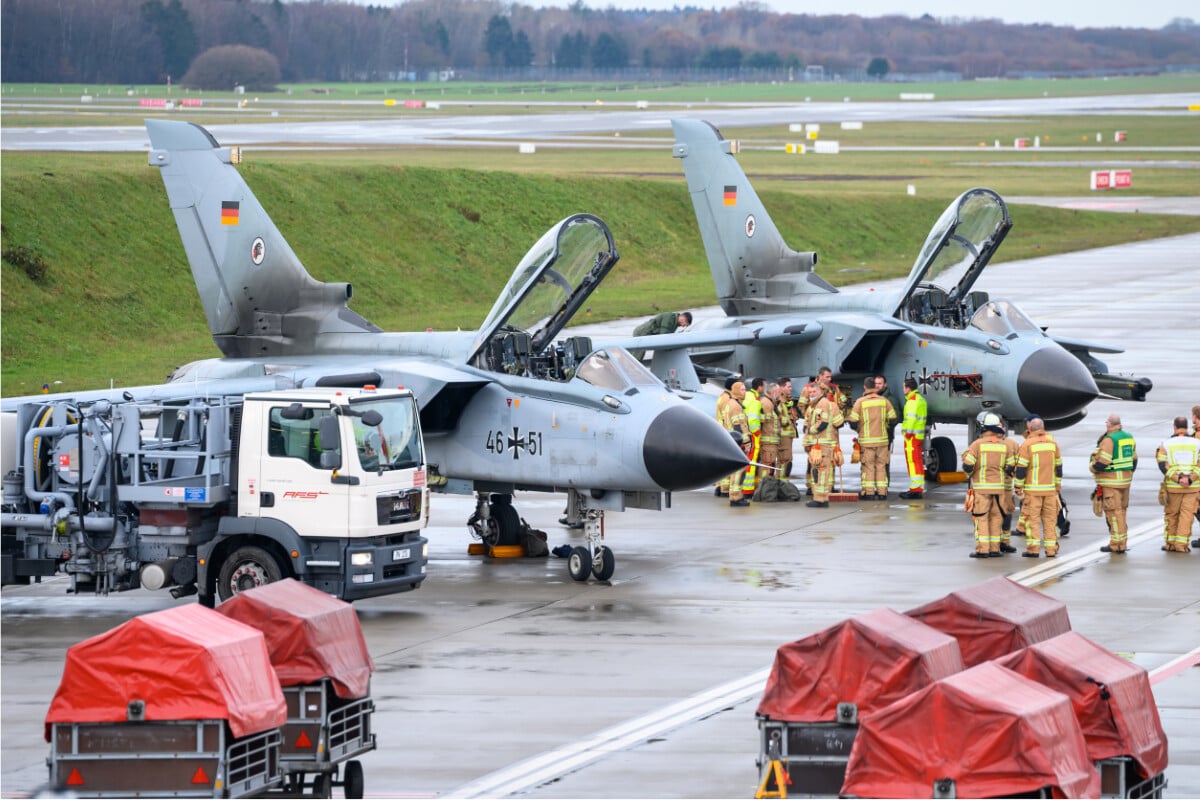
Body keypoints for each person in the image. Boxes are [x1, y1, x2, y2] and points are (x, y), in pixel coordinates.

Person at [962, 413, 1014, 558]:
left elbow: (967, 465)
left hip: (982, 489)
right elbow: (1010, 467)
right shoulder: (1005, 446)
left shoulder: (977, 444)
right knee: (997, 518)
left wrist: (973, 473)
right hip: (999, 489)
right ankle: (995, 549)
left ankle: (982, 550)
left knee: (981, 518)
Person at [1014, 416, 1063, 558]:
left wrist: (1018, 487)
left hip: (1033, 491)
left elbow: (1021, 469)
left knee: (1032, 521)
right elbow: (1059, 468)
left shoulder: (1027, 444)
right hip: (1050, 491)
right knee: (1050, 521)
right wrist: (1057, 486)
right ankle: (1051, 550)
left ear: (1030, 428)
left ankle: (1033, 550)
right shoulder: (1053, 444)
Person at [1091, 413, 1137, 554]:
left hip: (1111, 482)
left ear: (1109, 424)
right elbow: (1134, 459)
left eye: (1107, 423)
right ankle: (1122, 543)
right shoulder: (1128, 437)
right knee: (1122, 512)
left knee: (1113, 514)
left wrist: (1092, 468)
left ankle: (1116, 544)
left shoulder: (1109, 440)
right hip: (1125, 481)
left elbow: (1104, 461)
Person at [847, 376, 896, 500]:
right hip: (883, 441)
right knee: (881, 466)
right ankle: (882, 492)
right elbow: (893, 418)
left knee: (868, 467)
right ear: (875, 387)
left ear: (865, 387)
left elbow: (852, 421)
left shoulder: (860, 402)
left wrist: (859, 429)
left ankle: (868, 493)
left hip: (867, 442)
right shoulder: (884, 401)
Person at [1156, 416, 1200, 553]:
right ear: (1187, 427)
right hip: (1192, 488)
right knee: (1186, 516)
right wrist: (1190, 479)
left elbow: (1162, 464)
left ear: (1174, 427)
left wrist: (1177, 478)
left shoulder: (1166, 444)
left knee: (1171, 515)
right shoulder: (1197, 443)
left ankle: (1170, 544)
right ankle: (1181, 545)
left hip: (1173, 487)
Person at [805, 380, 843, 508]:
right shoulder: (816, 405)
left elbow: (823, 423)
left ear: (820, 391)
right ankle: (822, 498)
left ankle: (820, 499)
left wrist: (810, 430)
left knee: (820, 471)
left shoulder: (822, 404)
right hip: (820, 444)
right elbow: (839, 423)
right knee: (820, 471)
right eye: (810, 392)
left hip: (822, 444)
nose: (811, 394)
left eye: (814, 391)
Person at [721, 380, 753, 507]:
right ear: (735, 391)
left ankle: (734, 495)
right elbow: (738, 427)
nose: (745, 392)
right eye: (742, 390)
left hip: (731, 441)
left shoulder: (730, 403)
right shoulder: (736, 406)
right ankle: (736, 497)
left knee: (736, 471)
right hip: (738, 443)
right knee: (739, 471)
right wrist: (744, 443)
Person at [899, 377, 928, 499]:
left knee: (912, 463)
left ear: (908, 388)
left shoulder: (912, 401)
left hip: (911, 437)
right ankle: (919, 487)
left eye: (903, 387)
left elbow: (910, 419)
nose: (902, 389)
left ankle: (915, 489)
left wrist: (907, 433)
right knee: (918, 462)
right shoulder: (920, 399)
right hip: (918, 436)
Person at [714, 378, 738, 498]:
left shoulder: (722, 396)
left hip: (721, 430)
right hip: (725, 430)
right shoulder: (727, 399)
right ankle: (724, 489)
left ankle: (719, 486)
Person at [742, 378, 766, 494]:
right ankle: (748, 488)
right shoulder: (755, 401)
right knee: (751, 460)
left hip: (744, 433)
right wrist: (756, 432)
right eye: (763, 386)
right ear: (760, 387)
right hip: (753, 435)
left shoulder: (746, 395)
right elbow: (752, 419)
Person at [875, 374, 900, 483]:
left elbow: (895, 418)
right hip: (871, 438)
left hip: (885, 437)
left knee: (884, 464)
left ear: (885, 385)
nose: (877, 386)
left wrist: (882, 426)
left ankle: (883, 487)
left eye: (880, 383)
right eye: (875, 383)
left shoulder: (890, 400)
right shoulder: (871, 398)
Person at [775, 377, 799, 479]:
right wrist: (789, 419)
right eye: (788, 386)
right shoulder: (779, 401)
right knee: (785, 460)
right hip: (783, 435)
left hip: (788, 435)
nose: (790, 389)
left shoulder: (787, 401)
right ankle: (781, 483)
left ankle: (782, 483)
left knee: (785, 460)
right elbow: (778, 418)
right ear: (781, 387)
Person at [759, 382, 781, 478]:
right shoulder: (767, 404)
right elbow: (763, 422)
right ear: (773, 392)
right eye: (779, 392)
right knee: (767, 466)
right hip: (768, 442)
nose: (780, 395)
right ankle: (765, 486)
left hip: (771, 442)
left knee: (769, 465)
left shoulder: (770, 403)